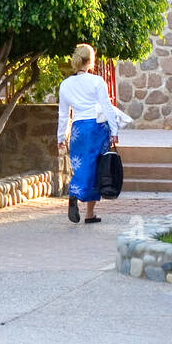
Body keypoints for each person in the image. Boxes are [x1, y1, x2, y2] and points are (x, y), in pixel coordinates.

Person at [57, 43, 132, 223]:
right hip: (96, 129)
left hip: (78, 129)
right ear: (90, 61)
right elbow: (106, 107)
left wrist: (61, 137)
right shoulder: (97, 81)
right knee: (96, 169)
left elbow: (63, 114)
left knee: (81, 166)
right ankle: (89, 213)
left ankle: (74, 193)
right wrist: (114, 131)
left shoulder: (65, 84)